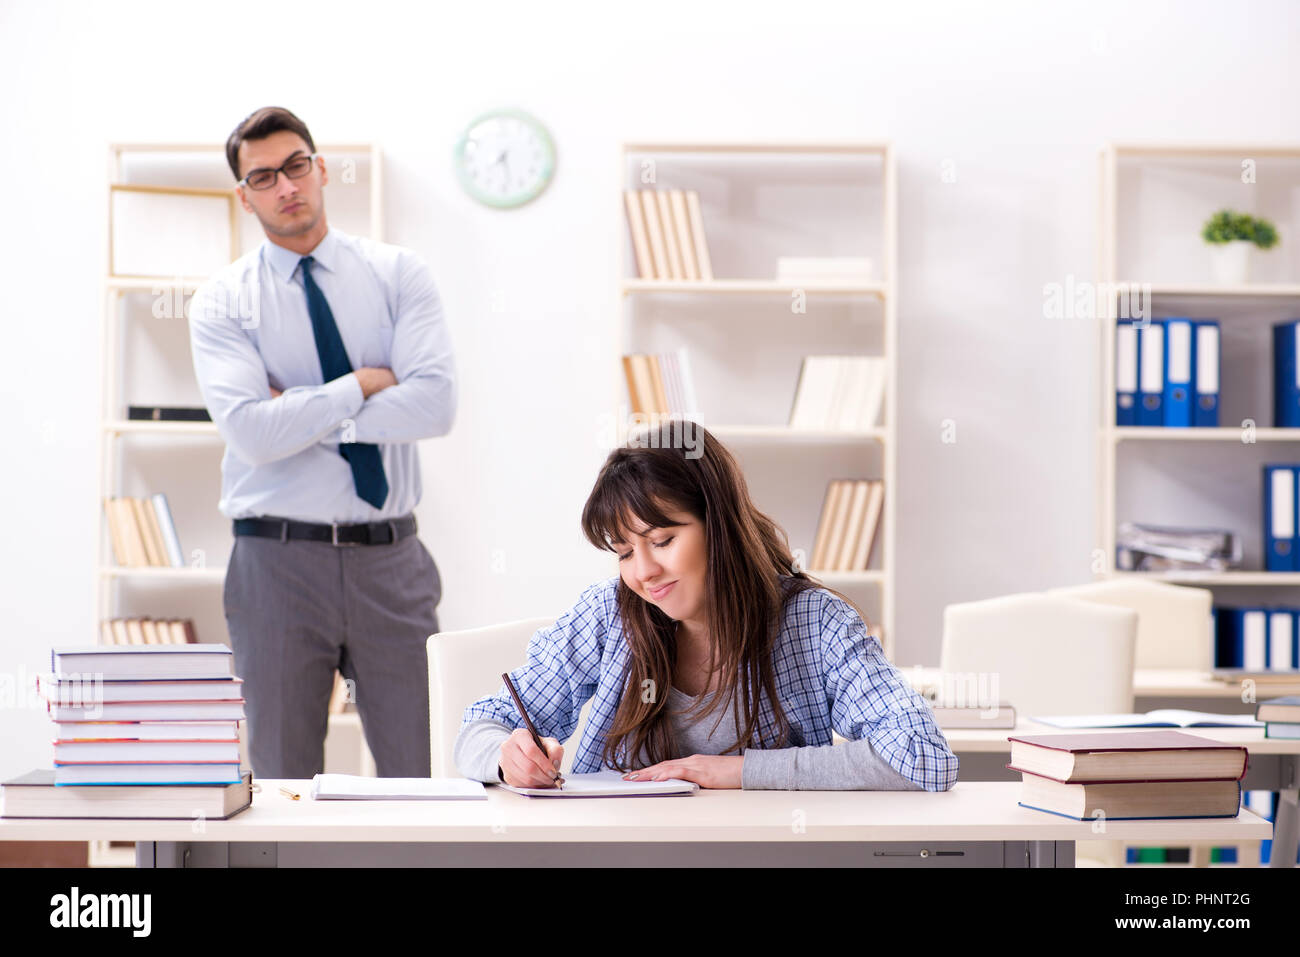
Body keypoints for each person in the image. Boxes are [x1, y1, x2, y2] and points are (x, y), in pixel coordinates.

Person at [455, 419, 957, 790]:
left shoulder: (813, 624)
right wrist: (506, 757)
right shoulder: (610, 614)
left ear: (720, 525)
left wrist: (735, 772)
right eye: (625, 552)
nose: (643, 572)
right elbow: (482, 722)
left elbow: (922, 756)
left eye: (663, 539)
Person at [189, 106, 456, 778]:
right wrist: (362, 384)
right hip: (275, 565)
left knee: (420, 773)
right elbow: (250, 432)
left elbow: (434, 404)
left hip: (390, 560)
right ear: (243, 194)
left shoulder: (400, 274)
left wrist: (301, 411)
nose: (287, 186)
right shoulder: (223, 302)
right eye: (264, 176)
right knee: (282, 781)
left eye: (297, 165)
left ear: (322, 167)